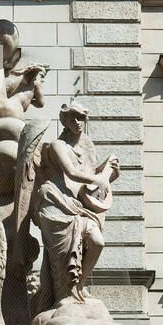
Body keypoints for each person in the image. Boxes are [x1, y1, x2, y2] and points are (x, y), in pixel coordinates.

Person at [34, 101, 119, 308]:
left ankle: (78, 287)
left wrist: (108, 173)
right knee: (60, 258)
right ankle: (62, 297)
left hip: (79, 206)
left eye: (81, 117)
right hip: (54, 202)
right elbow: (72, 172)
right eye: (72, 118)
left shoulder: (87, 145)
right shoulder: (57, 146)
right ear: (64, 121)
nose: (77, 122)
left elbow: (90, 179)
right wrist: (97, 179)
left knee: (97, 242)